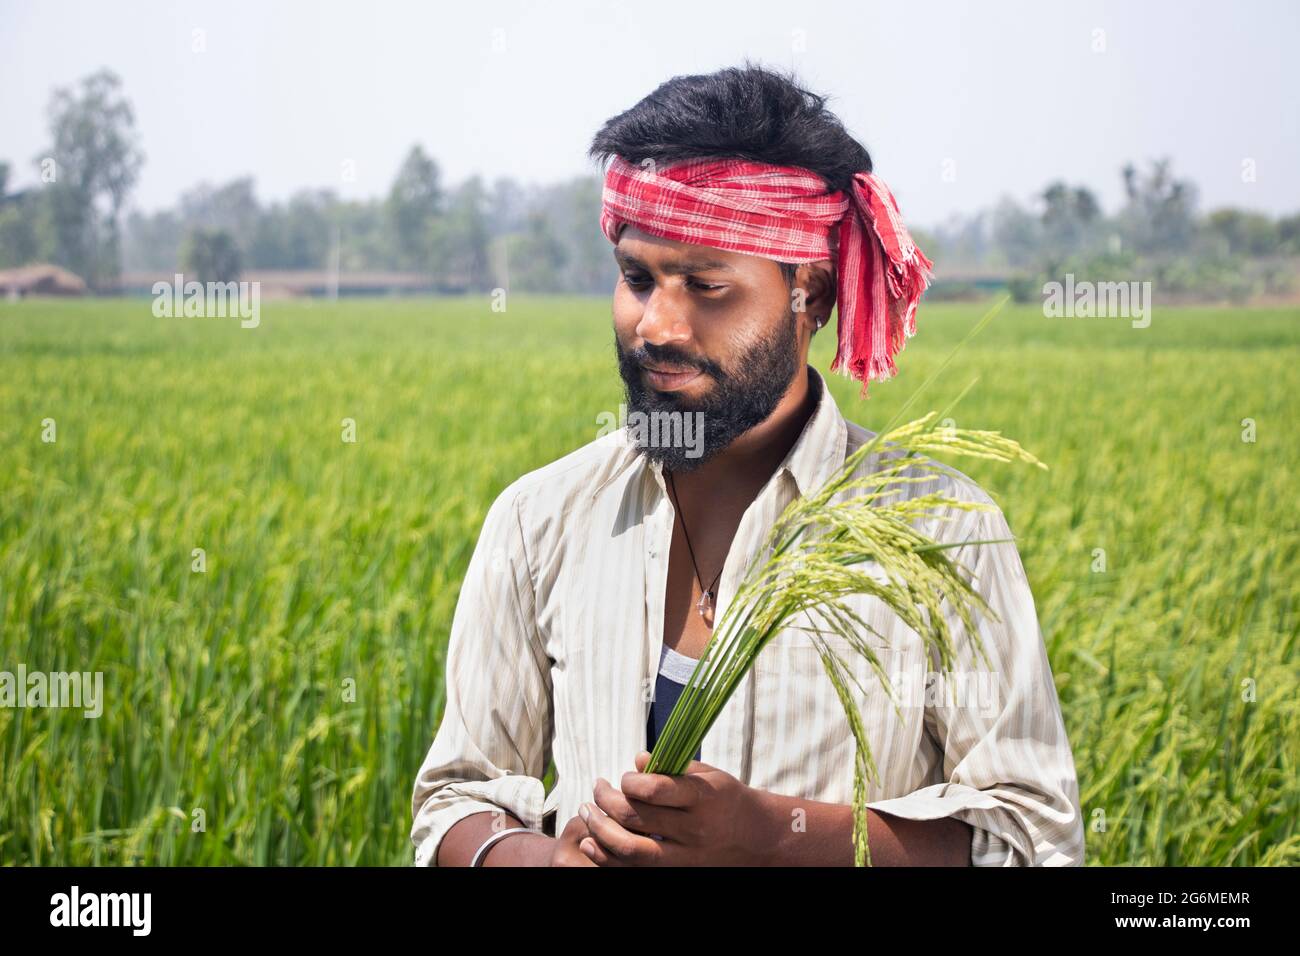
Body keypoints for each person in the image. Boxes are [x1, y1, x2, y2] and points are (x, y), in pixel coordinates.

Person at [411, 62, 1084, 867]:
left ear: (814, 295)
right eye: (637, 278)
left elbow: (1031, 836)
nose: (656, 325)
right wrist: (542, 859)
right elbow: (457, 799)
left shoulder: (940, 532)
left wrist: (771, 838)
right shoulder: (539, 519)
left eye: (706, 285)